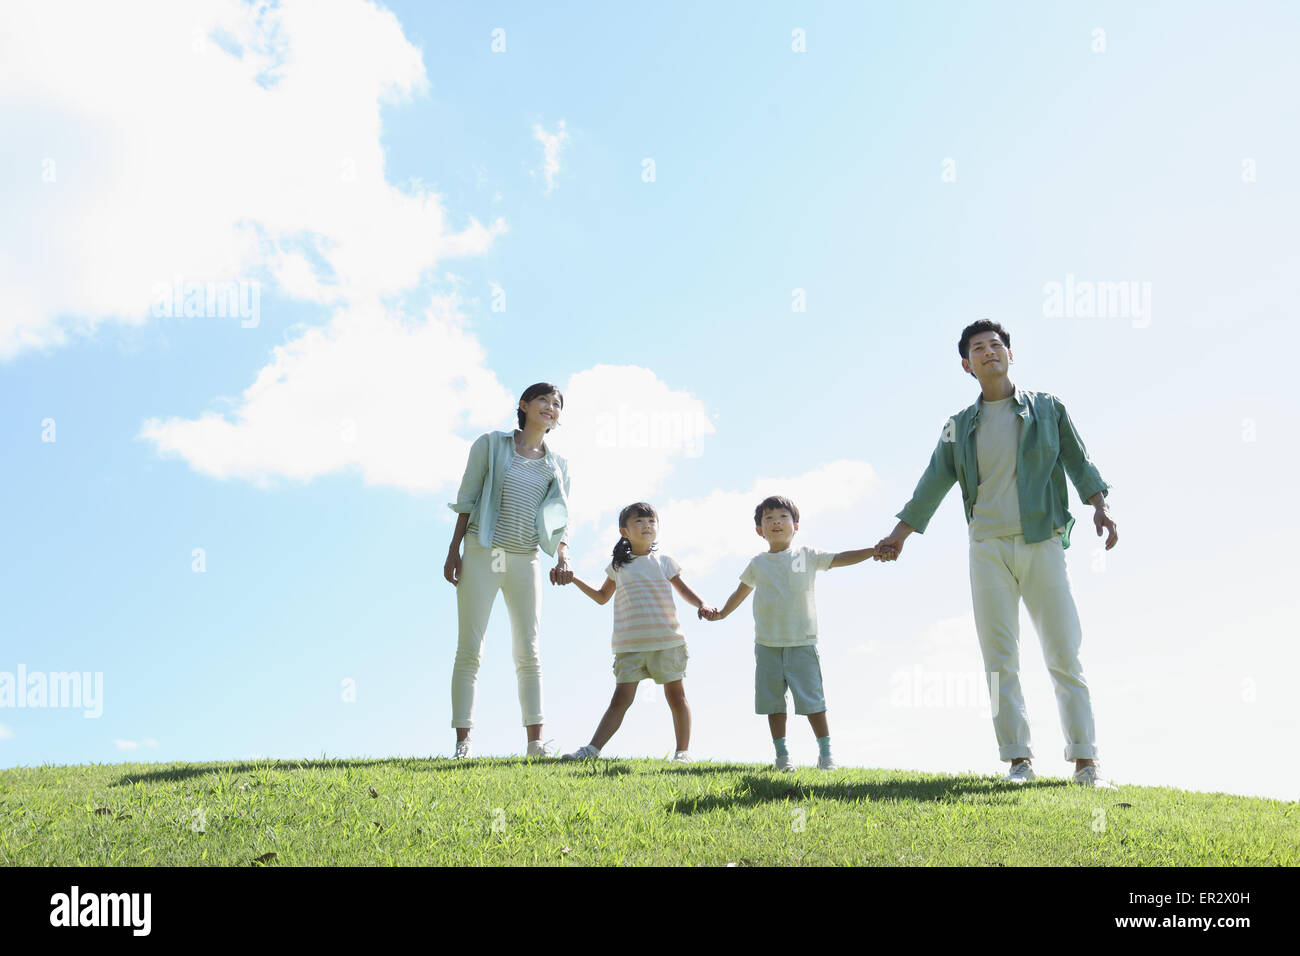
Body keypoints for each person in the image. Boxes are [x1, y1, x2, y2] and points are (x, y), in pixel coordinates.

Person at [873, 320, 1119, 788]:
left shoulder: (1048, 409)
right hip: (986, 547)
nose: (989, 352)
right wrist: (899, 535)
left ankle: (1086, 762)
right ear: (966, 365)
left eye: (996, 345)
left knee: (1064, 650)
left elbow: (1078, 461)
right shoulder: (957, 427)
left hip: (1041, 540)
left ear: (1010, 354)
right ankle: (1018, 760)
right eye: (978, 349)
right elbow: (932, 483)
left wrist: (1100, 506)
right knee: (999, 657)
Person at [444, 382, 574, 760]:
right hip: (485, 552)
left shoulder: (557, 465)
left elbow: (561, 519)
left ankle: (535, 744)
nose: (550, 407)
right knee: (470, 648)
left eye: (557, 404)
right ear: (524, 405)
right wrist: (454, 550)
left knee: (529, 651)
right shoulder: (490, 445)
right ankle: (463, 743)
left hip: (525, 557)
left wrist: (562, 556)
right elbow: (467, 498)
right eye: (543, 400)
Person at [704, 496, 876, 771]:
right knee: (773, 703)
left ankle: (826, 754)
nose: (776, 522)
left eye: (782, 517)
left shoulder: (807, 555)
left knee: (813, 701)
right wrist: (722, 613)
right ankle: (782, 756)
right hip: (767, 644)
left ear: (795, 525)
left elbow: (840, 558)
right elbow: (740, 592)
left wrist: (872, 551)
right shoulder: (757, 564)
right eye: (768, 519)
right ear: (759, 530)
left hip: (802, 642)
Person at [558, 502, 715, 763]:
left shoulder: (664, 562)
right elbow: (601, 597)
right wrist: (573, 578)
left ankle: (683, 752)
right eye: (639, 522)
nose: (646, 526)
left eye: (651, 521)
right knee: (620, 700)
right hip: (629, 646)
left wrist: (702, 604)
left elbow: (684, 589)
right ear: (624, 531)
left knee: (677, 696)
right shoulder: (619, 567)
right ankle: (592, 750)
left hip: (667, 642)